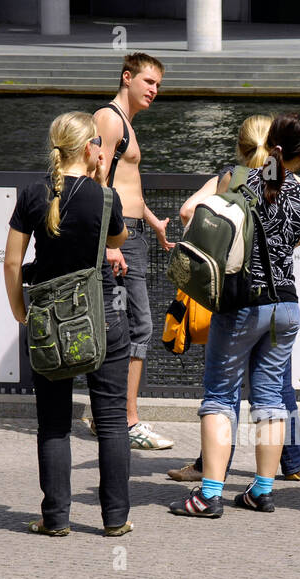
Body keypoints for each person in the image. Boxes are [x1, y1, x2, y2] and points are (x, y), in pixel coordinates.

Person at [169, 113, 300, 518]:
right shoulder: (298, 188)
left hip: (242, 304)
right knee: (270, 400)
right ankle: (261, 490)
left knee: (218, 397)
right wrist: (290, 242)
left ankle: (209, 495)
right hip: (287, 306)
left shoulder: (237, 179)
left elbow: (186, 211)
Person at [4, 111, 132, 536]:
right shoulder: (104, 198)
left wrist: (19, 309)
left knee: (54, 423)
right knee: (111, 420)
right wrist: (100, 182)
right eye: (98, 143)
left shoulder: (32, 194)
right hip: (101, 319)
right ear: (90, 148)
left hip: (48, 323)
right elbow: (116, 241)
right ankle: (115, 520)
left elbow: (11, 261)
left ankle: (56, 519)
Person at [91, 51, 176, 452]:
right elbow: (95, 181)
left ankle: (106, 412)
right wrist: (109, 245)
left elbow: (126, 186)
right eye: (148, 82)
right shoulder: (108, 119)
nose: (154, 91)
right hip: (120, 241)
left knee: (120, 326)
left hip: (132, 233)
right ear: (127, 78)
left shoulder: (125, 123)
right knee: (138, 327)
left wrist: (154, 221)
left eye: (158, 85)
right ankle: (127, 420)